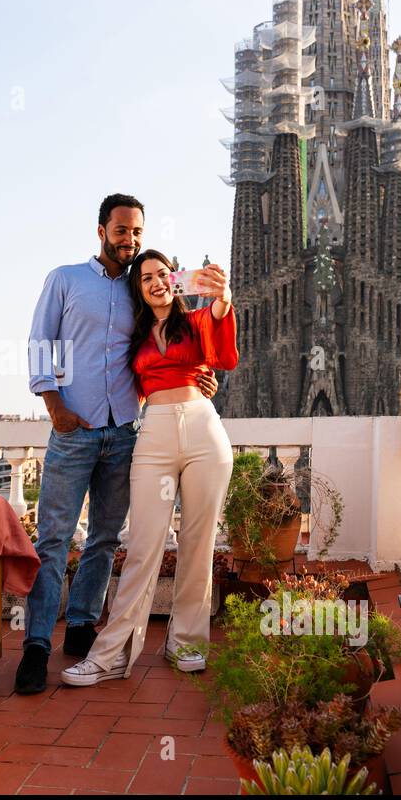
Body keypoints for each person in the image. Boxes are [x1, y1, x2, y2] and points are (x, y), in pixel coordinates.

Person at [19, 195, 217, 695]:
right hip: (73, 430)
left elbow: (179, 317)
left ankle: (82, 627)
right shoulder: (65, 279)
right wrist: (53, 407)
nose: (129, 239)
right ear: (101, 230)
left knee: (106, 539)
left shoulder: (140, 288)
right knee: (53, 540)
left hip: (127, 431)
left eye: (136, 232)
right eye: (121, 230)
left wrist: (198, 377)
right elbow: (41, 342)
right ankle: (37, 645)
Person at [60, 249, 238, 686]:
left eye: (162, 274)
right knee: (142, 546)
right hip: (154, 434)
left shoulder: (194, 322)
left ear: (175, 281)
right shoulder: (134, 339)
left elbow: (220, 339)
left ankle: (188, 642)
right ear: (138, 291)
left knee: (199, 544)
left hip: (202, 432)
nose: (156, 282)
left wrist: (223, 296)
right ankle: (113, 654)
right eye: (146, 278)